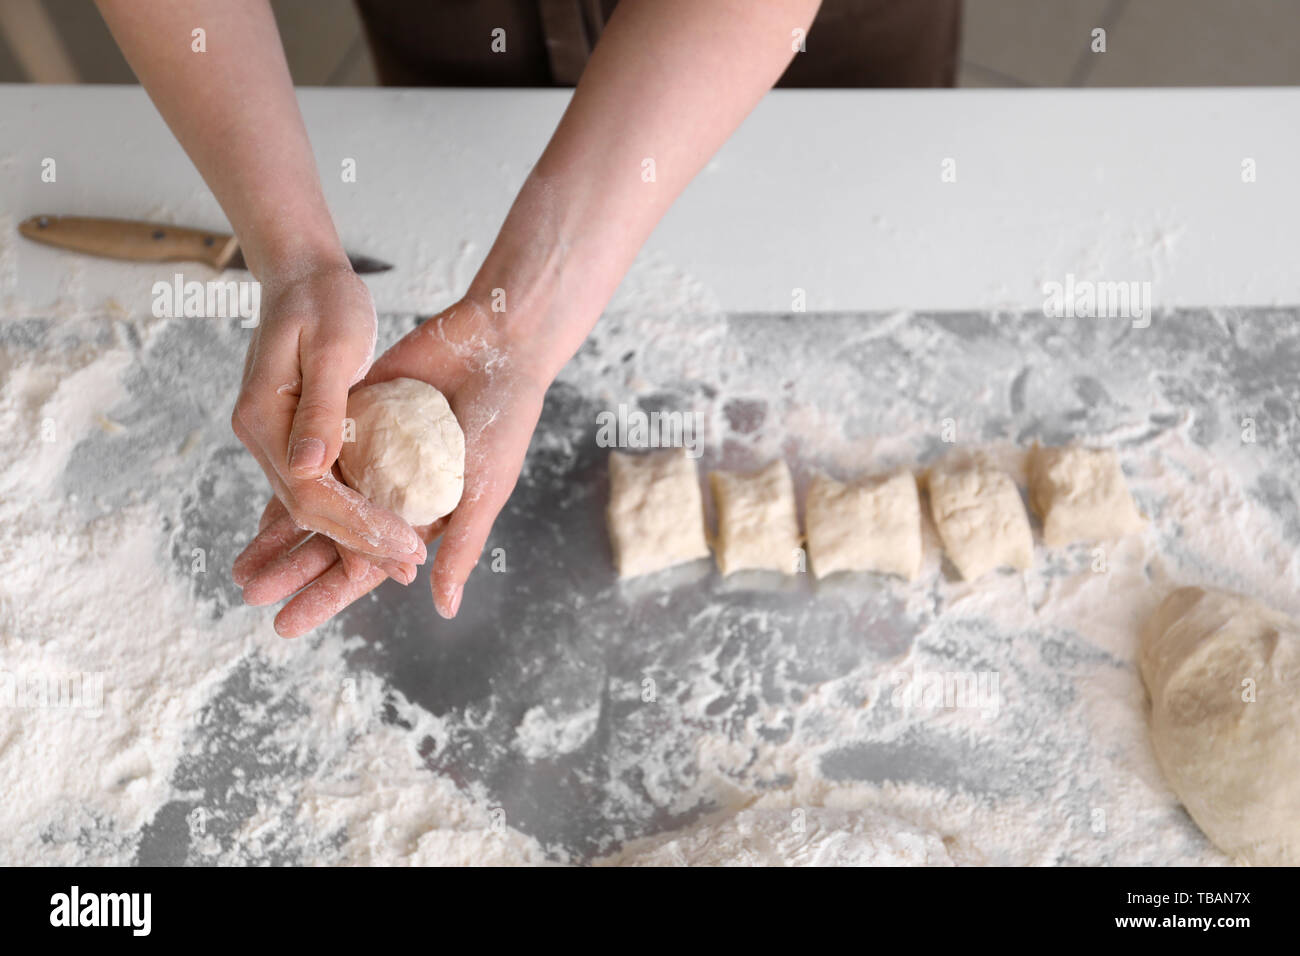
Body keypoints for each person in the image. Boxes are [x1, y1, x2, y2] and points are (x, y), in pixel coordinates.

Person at [94, 0, 961, 637]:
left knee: (847, 224)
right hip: (471, 26)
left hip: (786, 42)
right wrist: (294, 253)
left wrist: (528, 315)